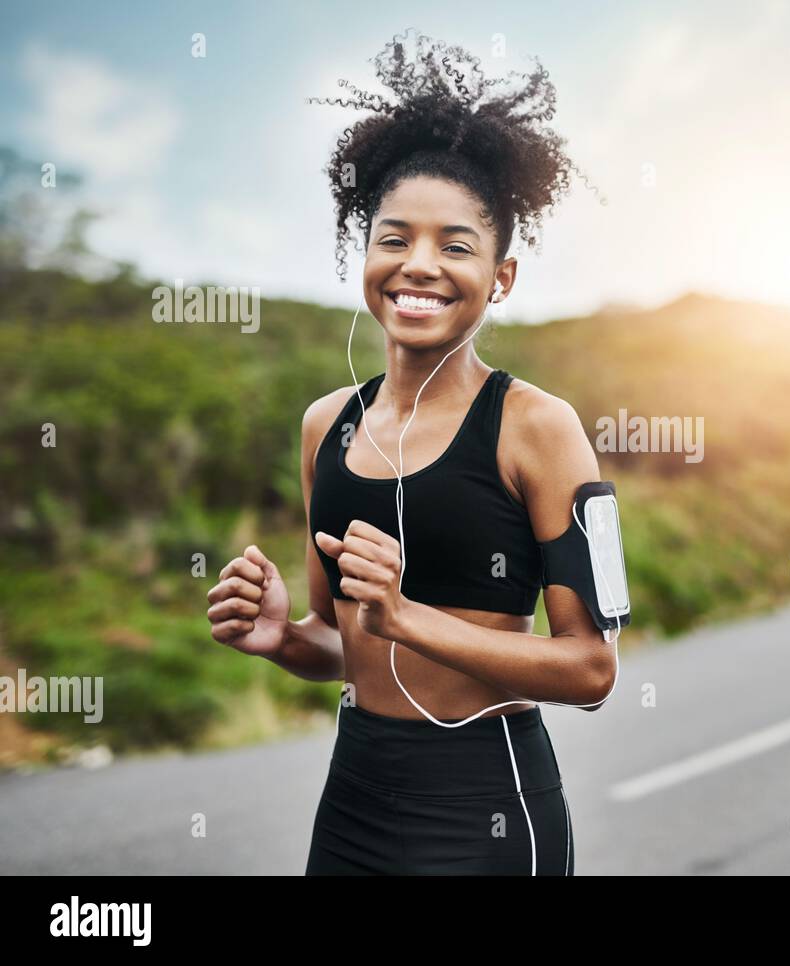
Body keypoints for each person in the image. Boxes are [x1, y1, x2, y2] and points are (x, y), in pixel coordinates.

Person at [204, 33, 615, 875]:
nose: (418, 265)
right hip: (353, 795)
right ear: (366, 253)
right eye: (394, 238)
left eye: (456, 246)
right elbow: (338, 643)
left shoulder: (537, 426)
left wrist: (410, 619)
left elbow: (591, 668)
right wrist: (284, 637)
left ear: (500, 277)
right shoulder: (329, 425)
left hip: (485, 804)